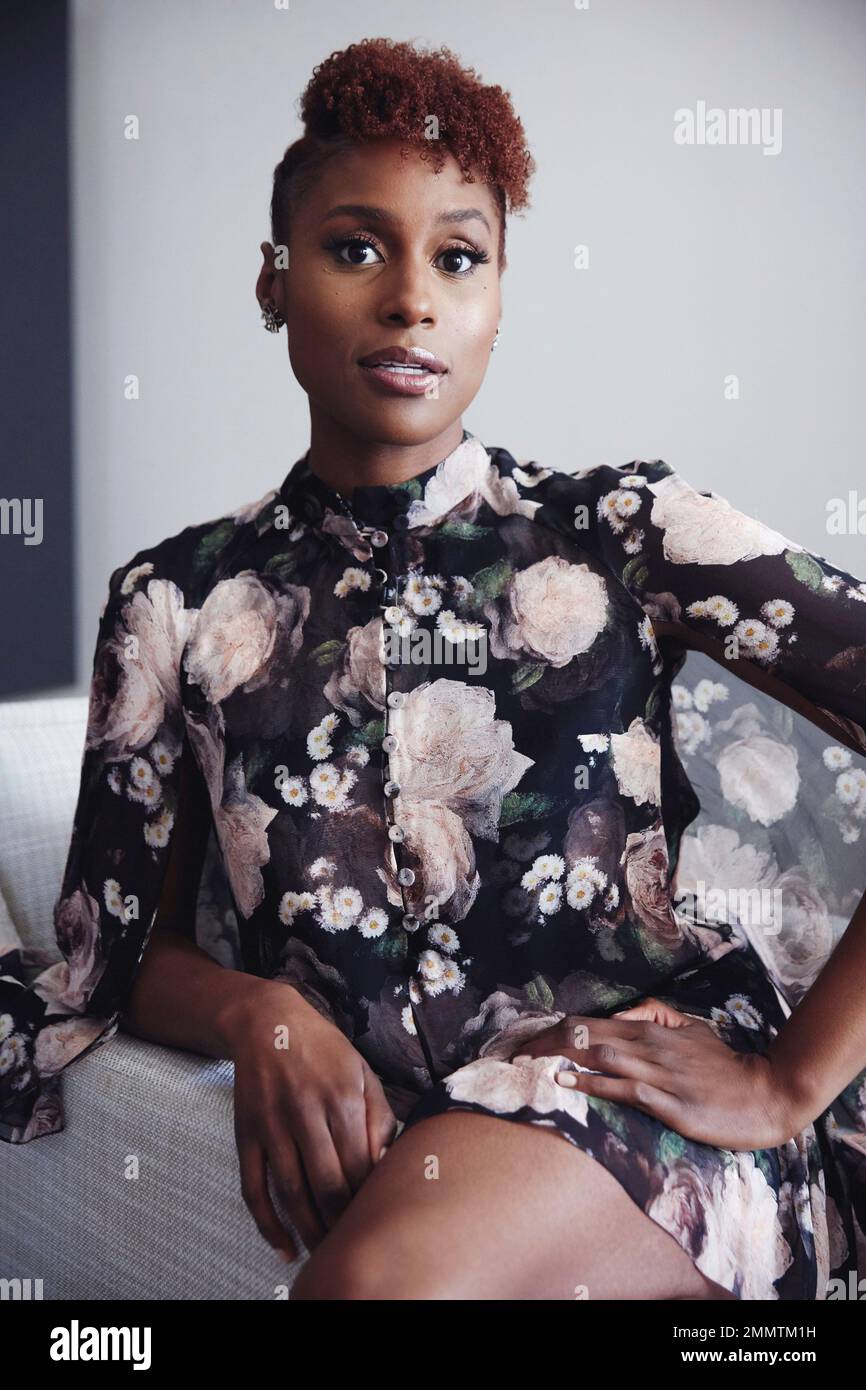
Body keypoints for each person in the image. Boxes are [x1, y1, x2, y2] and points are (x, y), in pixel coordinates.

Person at [2, 36, 865, 1302]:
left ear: (499, 298)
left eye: (457, 258)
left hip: (636, 1098)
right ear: (273, 278)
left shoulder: (624, 529)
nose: (412, 298)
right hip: (430, 1129)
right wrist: (263, 1016)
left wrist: (790, 1079)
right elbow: (116, 946)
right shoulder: (172, 599)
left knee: (376, 1290)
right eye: (356, 248)